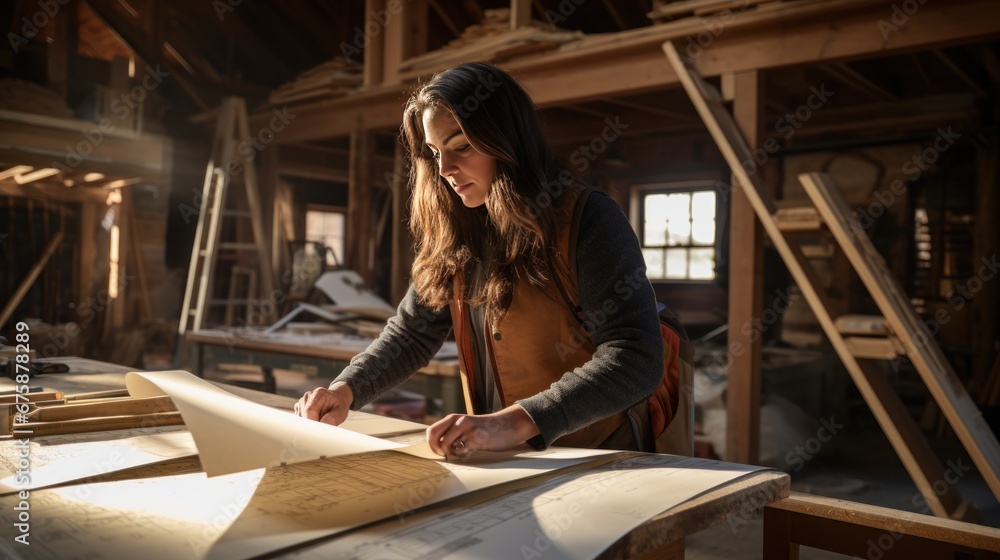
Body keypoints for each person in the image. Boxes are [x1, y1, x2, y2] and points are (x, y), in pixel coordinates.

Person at [294, 62, 663, 459]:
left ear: (508, 139)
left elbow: (635, 356)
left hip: (596, 456)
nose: (445, 170)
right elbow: (413, 331)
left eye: (462, 146)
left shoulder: (588, 220)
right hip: (501, 460)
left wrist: (514, 421)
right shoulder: (456, 229)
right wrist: (346, 389)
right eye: (434, 152)